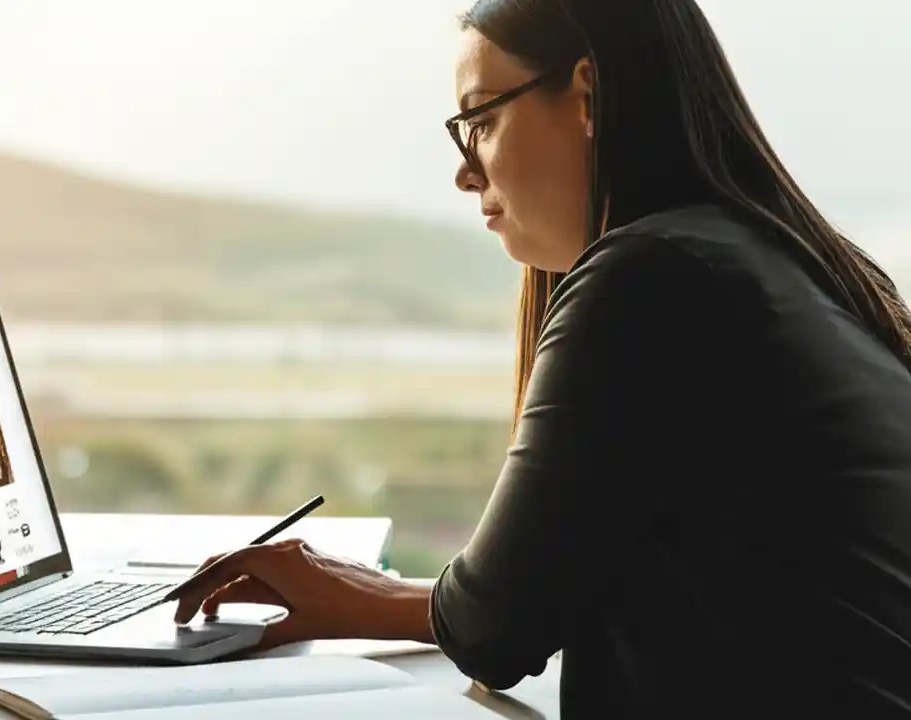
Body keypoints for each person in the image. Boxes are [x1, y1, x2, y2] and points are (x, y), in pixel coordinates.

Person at [166, 1, 911, 716]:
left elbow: (496, 633)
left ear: (587, 93)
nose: (466, 172)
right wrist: (417, 598)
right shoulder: (779, 268)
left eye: (481, 120)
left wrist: (352, 600)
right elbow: (525, 595)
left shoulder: (653, 278)